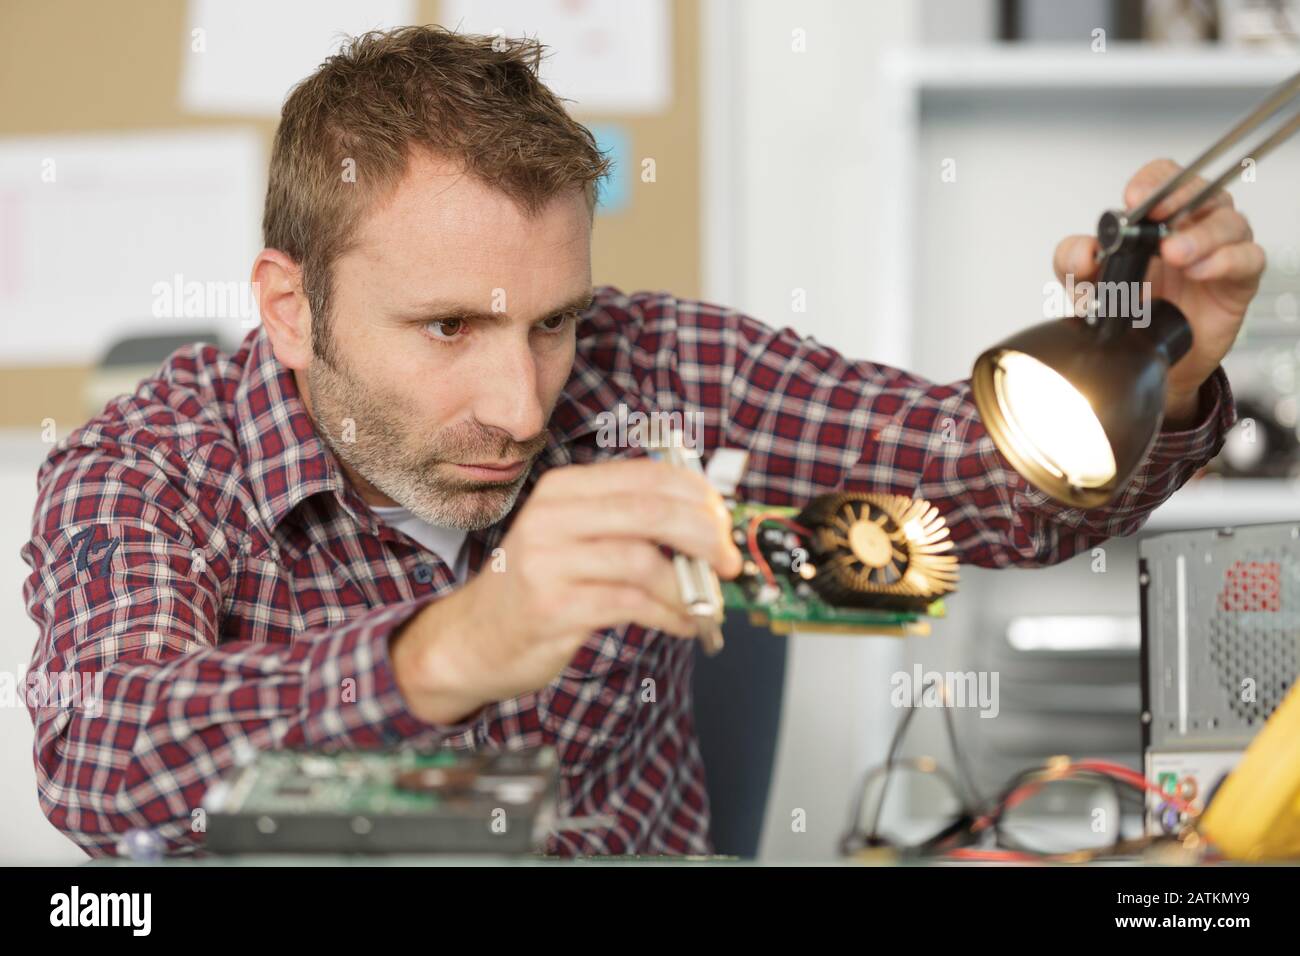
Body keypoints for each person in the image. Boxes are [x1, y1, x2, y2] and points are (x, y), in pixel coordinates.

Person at [21, 26, 1258, 858]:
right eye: (448, 325)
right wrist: (448, 648)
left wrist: (1167, 359)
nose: (520, 402)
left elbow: (985, 490)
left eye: (553, 320)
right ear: (290, 308)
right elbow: (103, 752)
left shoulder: (655, 367)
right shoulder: (149, 463)